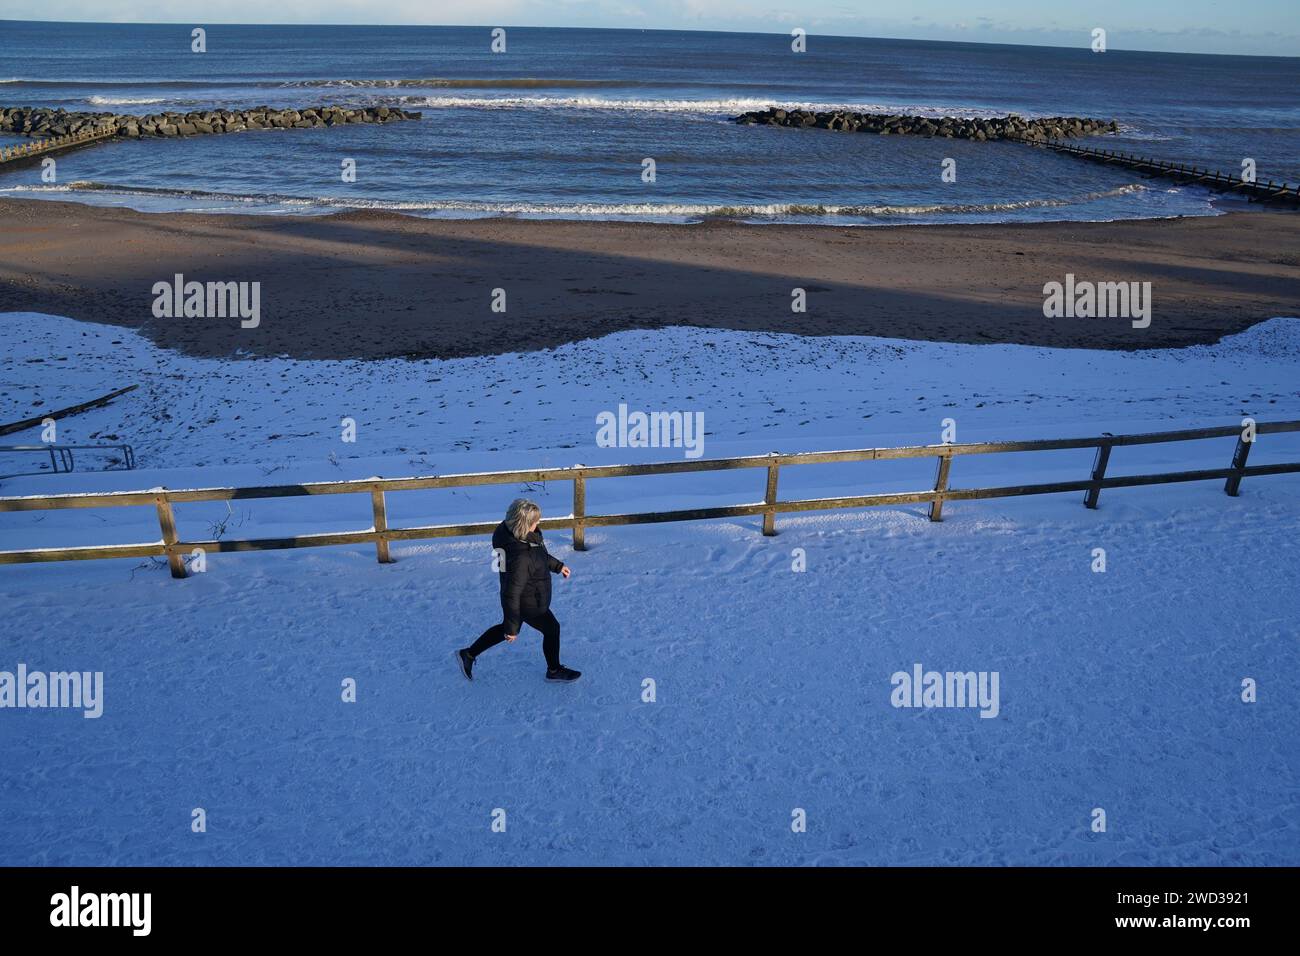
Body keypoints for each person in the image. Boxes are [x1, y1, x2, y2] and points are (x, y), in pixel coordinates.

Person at [457, 498, 581, 683]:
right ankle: (554, 671)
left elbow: (539, 556)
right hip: (529, 601)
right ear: (524, 524)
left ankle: (469, 654)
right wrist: (512, 628)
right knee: (551, 629)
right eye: (535, 521)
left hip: (527, 595)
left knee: (506, 628)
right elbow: (511, 593)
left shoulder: (512, 535)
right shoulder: (522, 555)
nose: (538, 523)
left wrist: (557, 566)